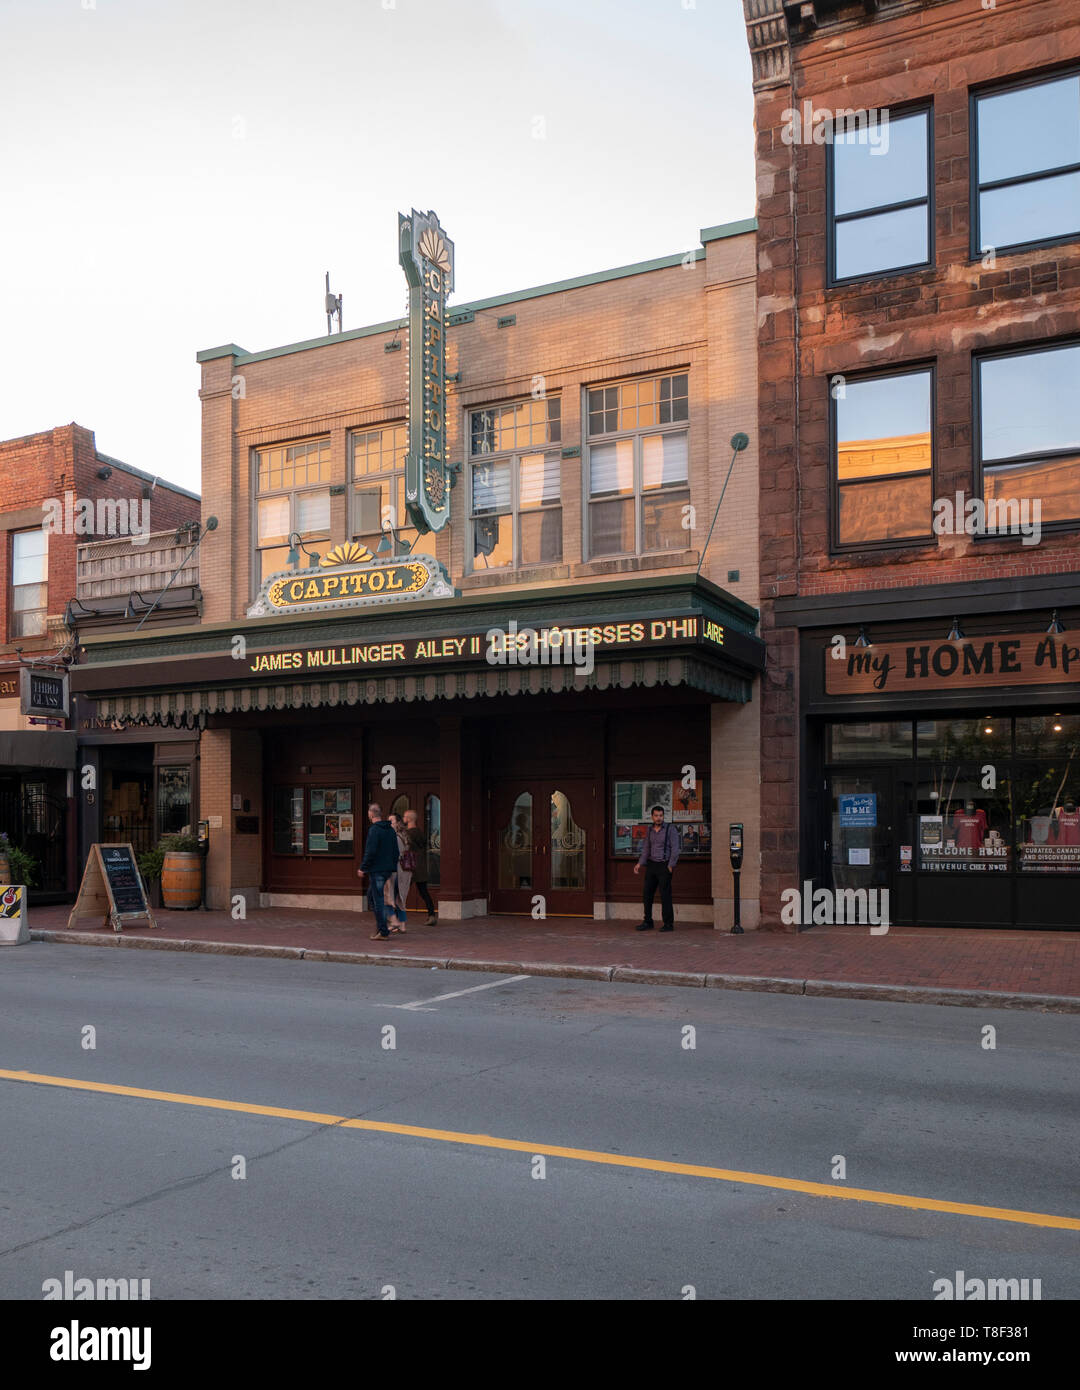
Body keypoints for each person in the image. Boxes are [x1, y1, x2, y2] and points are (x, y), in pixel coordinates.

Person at [633, 804, 680, 931]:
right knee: (647, 894)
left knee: (665, 896)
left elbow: (675, 849)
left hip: (664, 865)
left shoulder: (670, 829)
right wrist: (640, 863)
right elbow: (646, 848)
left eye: (660, 815)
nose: (658, 818)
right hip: (651, 865)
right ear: (652, 817)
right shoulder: (649, 830)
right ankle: (648, 921)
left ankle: (668, 924)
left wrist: (671, 865)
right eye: (656, 816)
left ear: (663, 816)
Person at [358, 803, 398, 940]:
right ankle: (381, 923)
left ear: (371, 814)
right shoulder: (391, 830)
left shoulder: (374, 830)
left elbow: (370, 851)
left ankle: (383, 931)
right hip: (387, 870)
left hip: (377, 870)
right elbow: (396, 851)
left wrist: (363, 867)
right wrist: (392, 866)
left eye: (368, 812)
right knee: (372, 897)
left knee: (377, 900)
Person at [403, 808, 437, 925]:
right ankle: (432, 914)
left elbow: (405, 850)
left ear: (409, 819)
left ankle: (396, 917)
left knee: (401, 892)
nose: (403, 819)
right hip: (420, 866)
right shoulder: (420, 833)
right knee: (423, 892)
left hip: (410, 866)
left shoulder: (408, 834)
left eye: (405, 816)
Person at [385, 813, 410, 933]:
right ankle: (402, 925)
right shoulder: (402, 835)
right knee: (399, 899)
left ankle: (395, 922)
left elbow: (397, 855)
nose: (389, 822)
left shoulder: (396, 837)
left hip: (396, 872)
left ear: (397, 823)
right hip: (402, 872)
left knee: (391, 897)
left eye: (391, 820)